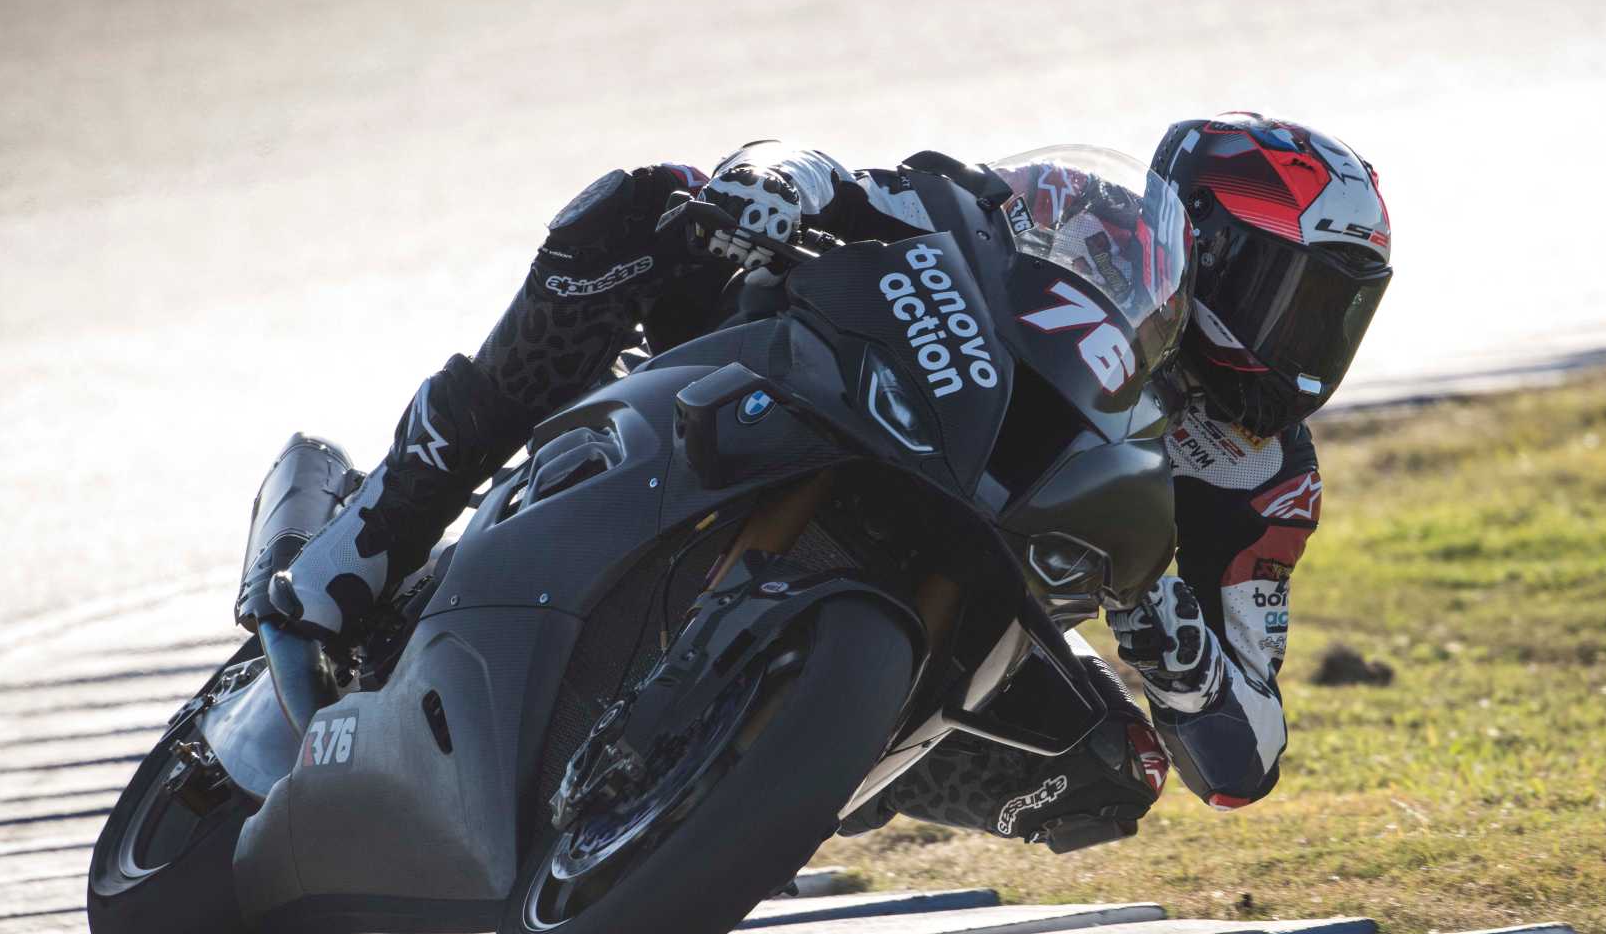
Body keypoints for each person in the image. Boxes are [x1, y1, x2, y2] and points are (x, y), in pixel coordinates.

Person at [260, 113, 1392, 850]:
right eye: (1295, 291)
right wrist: (789, 180)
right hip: (867, 403)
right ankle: (379, 524)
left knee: (1116, 776)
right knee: (646, 207)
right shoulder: (1087, 217)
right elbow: (920, 195)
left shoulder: (1266, 481)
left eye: (1340, 313)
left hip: (995, 589)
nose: (1307, 347)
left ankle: (777, 786)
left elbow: (1245, 758)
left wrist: (1175, 645)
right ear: (1204, 238)